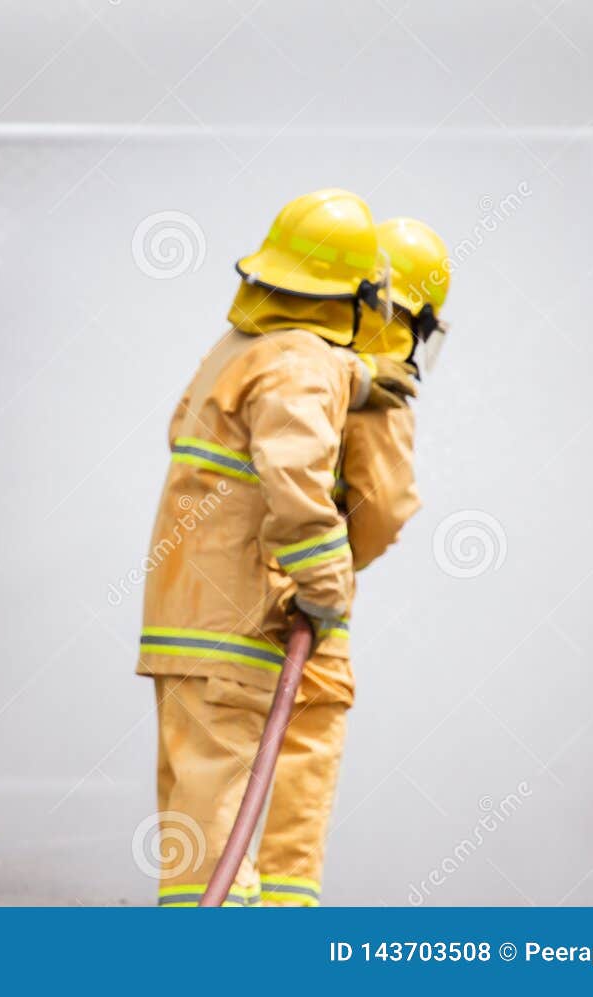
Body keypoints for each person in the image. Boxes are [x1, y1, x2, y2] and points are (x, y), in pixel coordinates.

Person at [137, 188, 400, 906]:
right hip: (240, 621)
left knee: (197, 818)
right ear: (351, 295)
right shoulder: (300, 363)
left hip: (189, 621)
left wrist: (361, 378)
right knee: (219, 826)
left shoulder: (242, 349)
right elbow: (295, 470)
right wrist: (322, 576)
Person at [253, 215, 450, 907]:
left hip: (222, 600)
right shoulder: (378, 386)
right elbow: (386, 507)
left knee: (220, 778)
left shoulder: (289, 352)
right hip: (305, 612)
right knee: (297, 770)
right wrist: (332, 575)